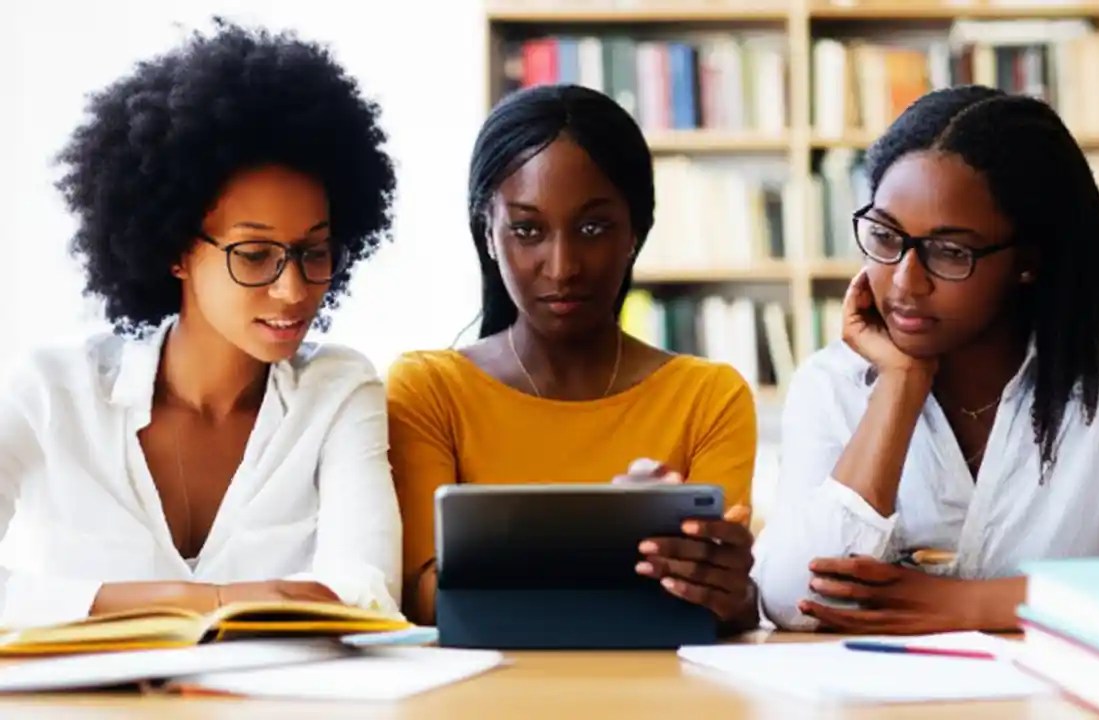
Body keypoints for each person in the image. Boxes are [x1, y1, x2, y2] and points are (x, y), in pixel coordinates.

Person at [752, 86, 1099, 633]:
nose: (905, 281)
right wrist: (900, 385)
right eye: (886, 236)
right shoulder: (834, 380)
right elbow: (790, 601)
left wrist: (978, 604)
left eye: (949, 251)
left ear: (1027, 261)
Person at [0, 22, 401, 627]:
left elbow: (366, 593)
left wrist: (82, 604)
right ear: (176, 250)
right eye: (254, 255)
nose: (294, 289)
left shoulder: (338, 391)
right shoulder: (52, 392)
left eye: (313, 252)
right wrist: (204, 601)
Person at [387, 84, 758, 633]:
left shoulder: (709, 398)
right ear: (488, 234)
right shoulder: (428, 390)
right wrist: (608, 537)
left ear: (636, 232)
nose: (562, 267)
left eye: (592, 228)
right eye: (527, 230)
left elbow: (708, 609)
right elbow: (428, 600)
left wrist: (733, 593)